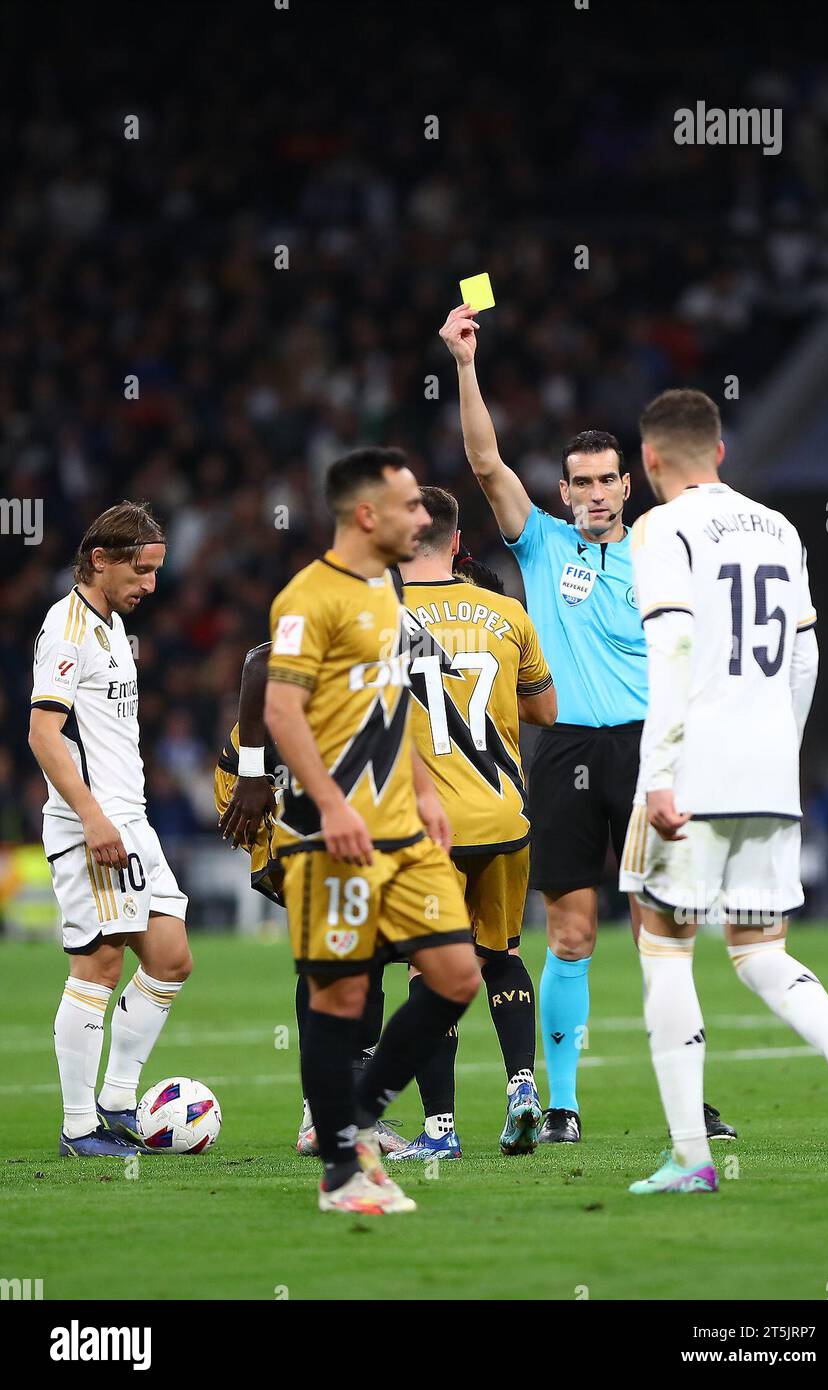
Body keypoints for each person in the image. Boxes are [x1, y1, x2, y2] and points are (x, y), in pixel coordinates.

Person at [439, 303, 736, 1144]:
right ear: (564, 491)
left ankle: (690, 1104)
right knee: (570, 933)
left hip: (649, 750)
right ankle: (561, 1106)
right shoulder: (540, 544)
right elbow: (484, 458)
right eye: (584, 482)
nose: (598, 492)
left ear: (627, 483)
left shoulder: (662, 544)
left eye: (610, 479)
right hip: (566, 747)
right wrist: (465, 364)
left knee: (661, 929)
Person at [621, 388, 828, 1194]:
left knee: (664, 947)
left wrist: (658, 775)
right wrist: (776, 749)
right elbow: (806, 660)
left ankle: (692, 1156)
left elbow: (674, 650)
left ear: (650, 460)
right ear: (720, 451)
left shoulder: (659, 529)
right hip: (769, 771)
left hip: (691, 775)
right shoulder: (781, 527)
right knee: (761, 949)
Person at [264, 446, 481, 1215]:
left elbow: (399, 706)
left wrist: (424, 792)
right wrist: (330, 806)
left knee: (458, 975)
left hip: (402, 833)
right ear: (367, 515)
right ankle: (340, 1171)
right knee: (342, 995)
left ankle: (356, 1115)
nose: (424, 520)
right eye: (411, 506)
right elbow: (281, 712)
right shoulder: (306, 599)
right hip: (334, 837)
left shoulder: (389, 590)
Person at [389, 486, 556, 1161]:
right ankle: (521, 1089)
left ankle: (440, 1131)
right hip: (505, 815)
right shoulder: (507, 611)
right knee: (504, 955)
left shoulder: (382, 617)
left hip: (429, 824)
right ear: (458, 543)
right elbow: (544, 709)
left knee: (429, 975)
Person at [28, 501, 192, 1157]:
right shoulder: (67, 628)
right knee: (99, 962)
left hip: (132, 820)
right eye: (143, 571)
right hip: (92, 824)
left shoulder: (114, 629)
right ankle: (78, 1127)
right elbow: (43, 735)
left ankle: (118, 1100)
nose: (150, 586)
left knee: (171, 957)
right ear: (101, 559)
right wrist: (93, 817)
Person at [214, 643, 406, 1156]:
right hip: (262, 789)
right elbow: (257, 663)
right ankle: (327, 1115)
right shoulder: (343, 621)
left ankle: (335, 1110)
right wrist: (254, 774)